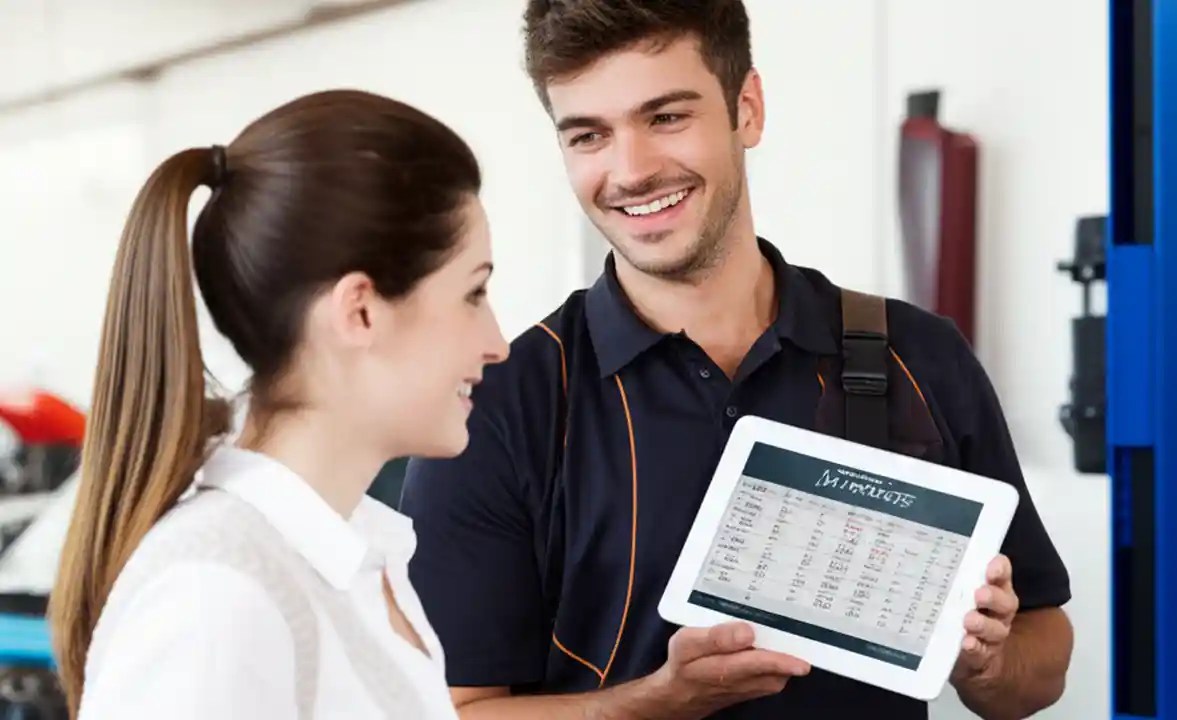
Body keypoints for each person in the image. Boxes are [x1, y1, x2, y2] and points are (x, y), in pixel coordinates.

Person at [399, 1, 1074, 719]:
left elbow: (1042, 648)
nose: (631, 171)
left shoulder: (920, 356)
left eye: (666, 118)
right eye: (589, 135)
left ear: (746, 109)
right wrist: (658, 702)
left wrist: (988, 660)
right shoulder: (499, 402)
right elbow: (453, 711)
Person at [47, 89, 509, 719]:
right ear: (360, 310)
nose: (497, 344)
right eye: (474, 294)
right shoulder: (217, 598)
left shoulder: (360, 552)